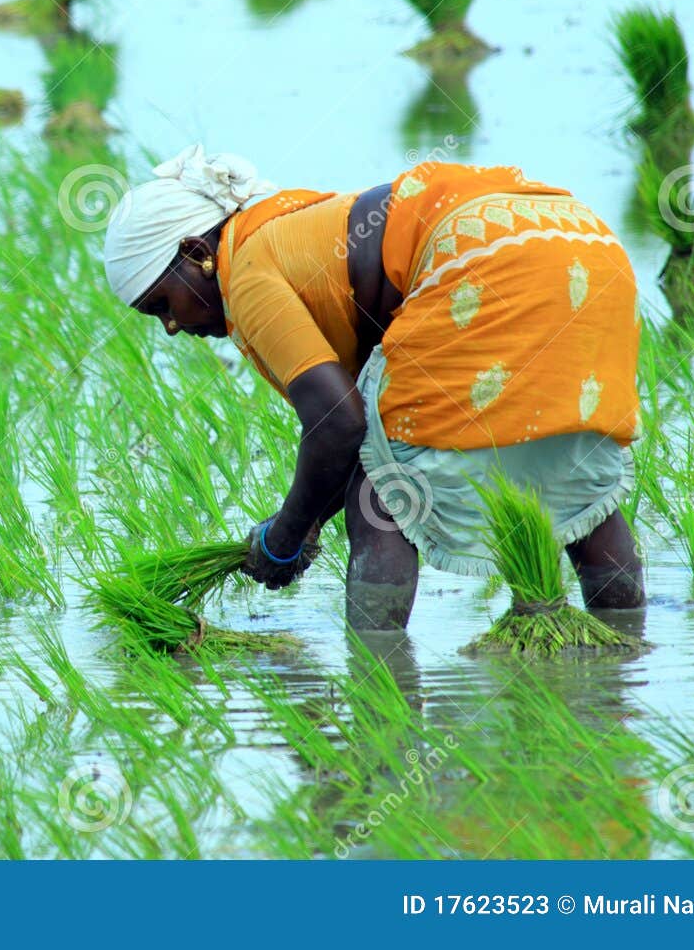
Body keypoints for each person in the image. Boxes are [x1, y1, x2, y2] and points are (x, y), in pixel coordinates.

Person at [102, 145, 644, 630]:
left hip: (486, 252)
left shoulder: (245, 271)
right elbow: (348, 425)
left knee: (377, 486)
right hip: (579, 243)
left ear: (198, 252)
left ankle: (380, 674)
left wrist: (286, 534)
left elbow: (339, 424)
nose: (172, 327)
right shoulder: (295, 223)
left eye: (161, 306)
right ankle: (625, 642)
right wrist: (302, 522)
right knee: (566, 455)